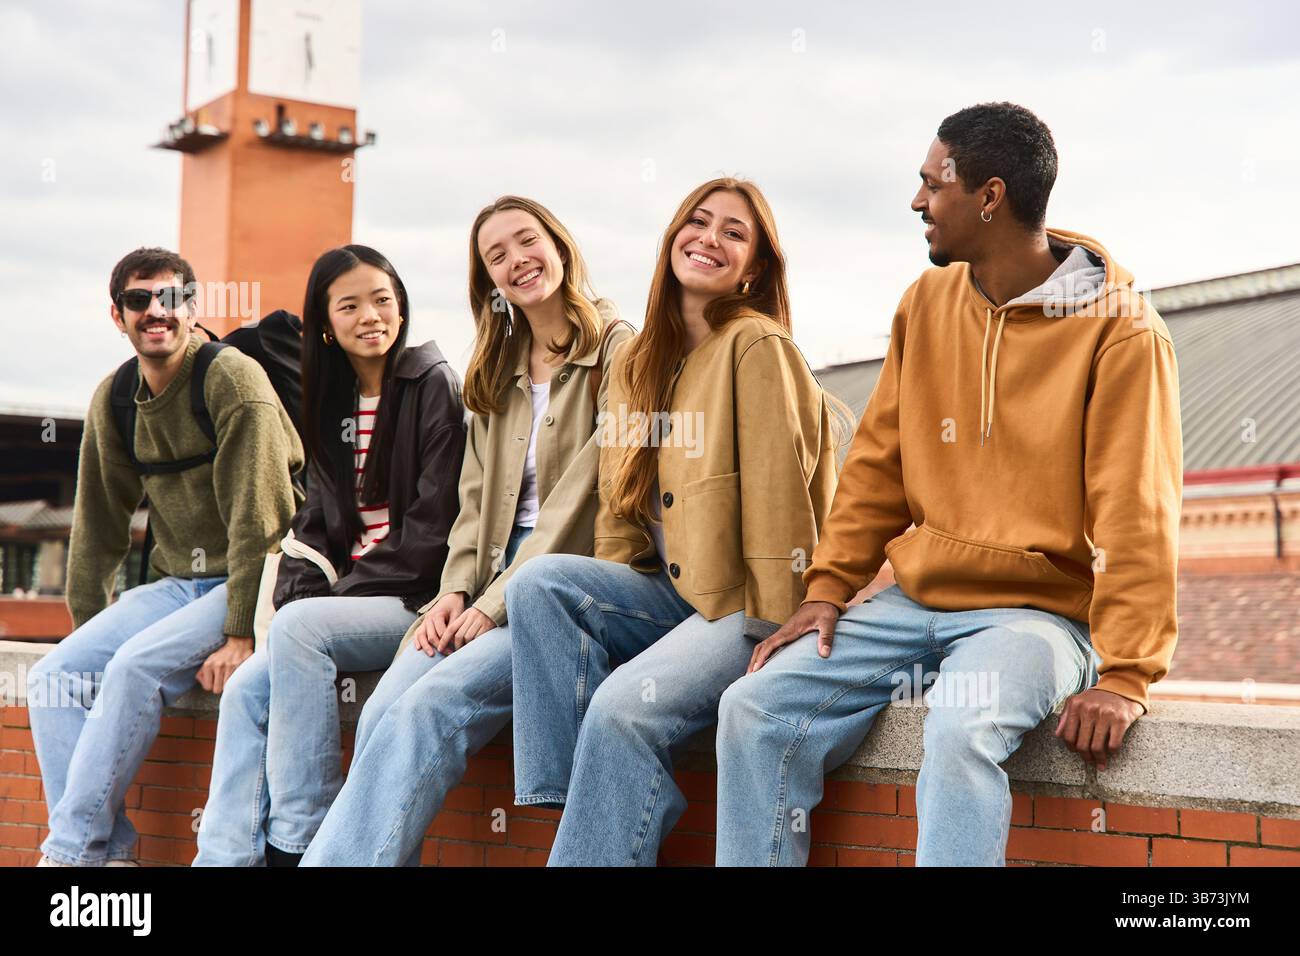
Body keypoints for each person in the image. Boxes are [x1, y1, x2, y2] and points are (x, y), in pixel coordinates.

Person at [715, 102, 1183, 866]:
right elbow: (877, 466)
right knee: (753, 707)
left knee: (961, 729)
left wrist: (1127, 674)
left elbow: (1139, 512)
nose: (917, 202)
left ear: (989, 196)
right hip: (913, 602)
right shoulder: (926, 303)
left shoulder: (1122, 331)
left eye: (933, 184)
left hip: (1035, 618)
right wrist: (828, 588)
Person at [504, 177, 844, 865]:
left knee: (621, 709)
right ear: (672, 239)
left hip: (742, 602)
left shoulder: (756, 347)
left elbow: (786, 508)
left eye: (734, 233)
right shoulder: (637, 361)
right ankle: (575, 795)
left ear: (756, 268)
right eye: (698, 221)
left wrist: (779, 631)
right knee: (538, 584)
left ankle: (603, 827)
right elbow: (619, 516)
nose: (710, 239)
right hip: (668, 595)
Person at [302, 196, 631, 866]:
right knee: (377, 714)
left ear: (560, 246)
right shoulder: (496, 368)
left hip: (557, 594)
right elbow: (474, 502)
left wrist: (494, 601)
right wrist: (453, 591)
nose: (517, 261)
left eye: (526, 241)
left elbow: (583, 495)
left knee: (428, 713)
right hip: (483, 584)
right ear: (489, 282)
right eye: (496, 256)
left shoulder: (618, 349)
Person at [27, 247, 303, 866]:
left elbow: (260, 520)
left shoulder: (231, 379)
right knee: (53, 679)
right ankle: (110, 854)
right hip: (180, 583)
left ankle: (70, 857)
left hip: (255, 579)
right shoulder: (116, 397)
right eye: (140, 300)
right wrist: (87, 626)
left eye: (172, 298)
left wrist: (242, 633)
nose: (158, 311)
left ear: (193, 308)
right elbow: (98, 523)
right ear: (117, 315)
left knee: (134, 668)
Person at [193, 245, 466, 865]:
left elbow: (430, 536)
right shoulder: (333, 402)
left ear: (402, 306)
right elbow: (313, 523)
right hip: (344, 608)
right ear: (325, 321)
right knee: (245, 693)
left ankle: (301, 839)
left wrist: (324, 605)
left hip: (415, 600)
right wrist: (304, 592)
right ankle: (225, 858)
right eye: (350, 305)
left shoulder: (432, 386)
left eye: (383, 300)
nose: (371, 315)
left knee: (298, 628)